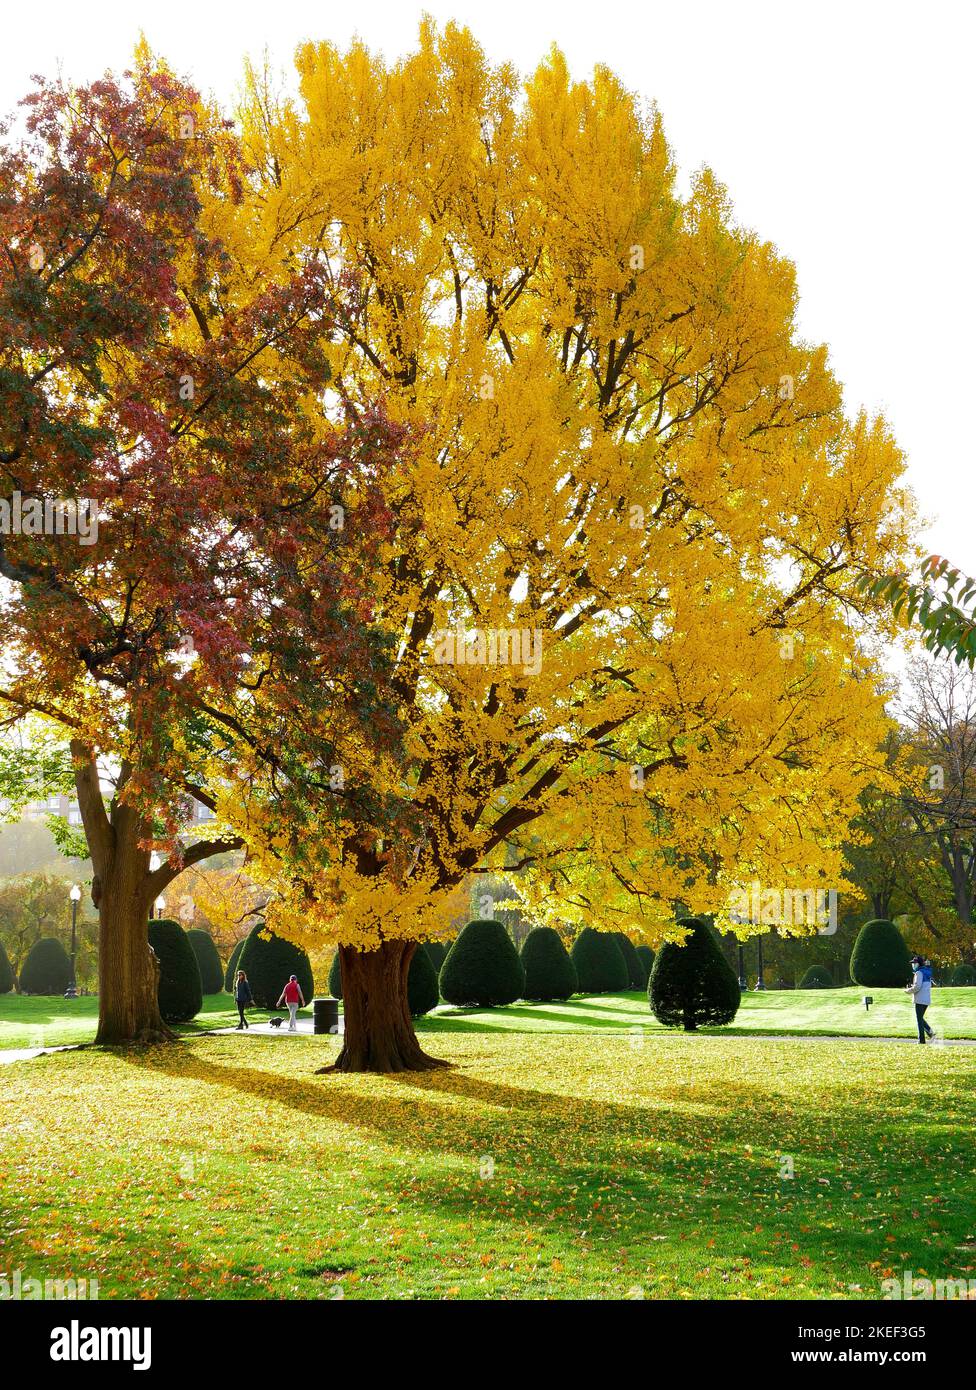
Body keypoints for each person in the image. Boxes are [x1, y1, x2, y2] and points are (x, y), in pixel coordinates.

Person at [905, 954, 935, 1044]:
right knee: (920, 1018)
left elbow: (917, 987)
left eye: (914, 963)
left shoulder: (918, 973)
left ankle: (922, 1040)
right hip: (926, 999)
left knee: (919, 1019)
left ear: (919, 964)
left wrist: (908, 990)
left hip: (919, 999)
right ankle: (930, 1033)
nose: (913, 965)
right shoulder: (926, 972)